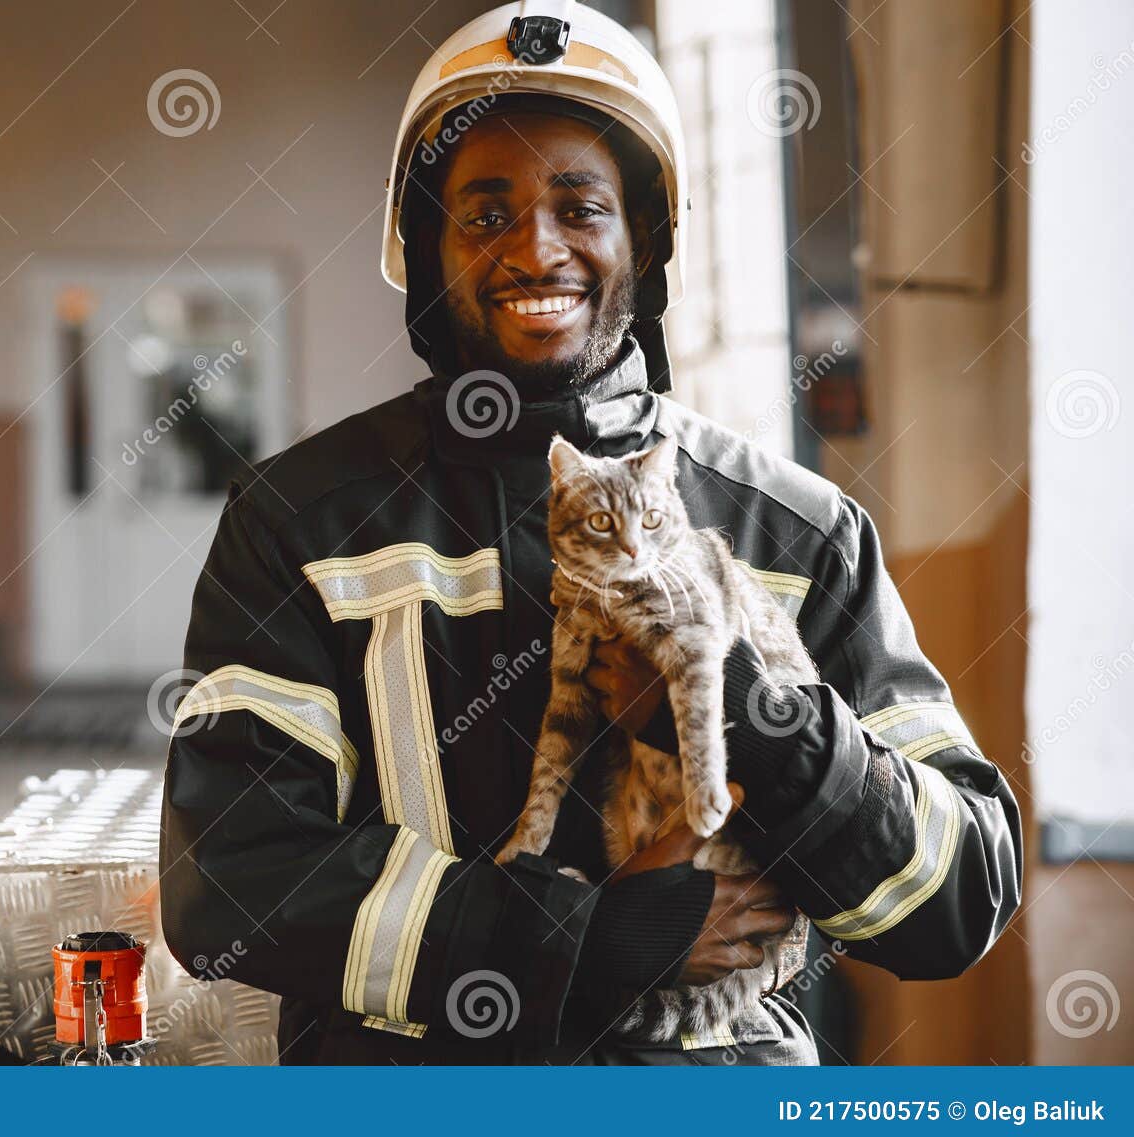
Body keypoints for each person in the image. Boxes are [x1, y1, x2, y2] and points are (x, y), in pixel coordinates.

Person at [159, 0, 1021, 1064]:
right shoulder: (303, 520)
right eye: (484, 212)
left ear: (646, 237)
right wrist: (588, 938)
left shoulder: (798, 530)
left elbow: (958, 898)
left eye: (581, 206)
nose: (535, 246)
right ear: (426, 249)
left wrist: (762, 719)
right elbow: (229, 884)